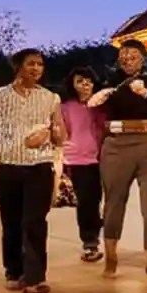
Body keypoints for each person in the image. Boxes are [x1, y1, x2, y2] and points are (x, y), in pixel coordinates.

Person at [88, 38, 147, 289]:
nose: (127, 60)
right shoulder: (109, 78)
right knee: (114, 202)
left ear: (142, 58)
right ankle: (111, 257)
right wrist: (97, 96)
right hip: (116, 144)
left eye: (133, 56)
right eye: (123, 56)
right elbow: (91, 105)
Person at [0, 48, 65, 293]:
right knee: (12, 221)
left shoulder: (51, 98)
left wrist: (49, 133)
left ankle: (35, 277)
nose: (36, 68)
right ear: (18, 67)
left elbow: (61, 134)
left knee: (35, 222)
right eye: (31, 64)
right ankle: (14, 271)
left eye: (40, 64)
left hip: (39, 166)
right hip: (6, 166)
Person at [60, 66, 106, 263]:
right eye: (80, 81)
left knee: (98, 201)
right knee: (86, 203)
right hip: (77, 160)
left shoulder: (102, 105)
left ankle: (99, 230)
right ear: (72, 85)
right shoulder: (65, 107)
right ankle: (90, 243)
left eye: (88, 81)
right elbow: (62, 134)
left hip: (102, 158)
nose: (85, 85)